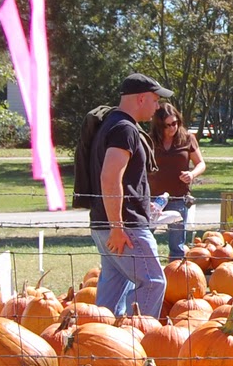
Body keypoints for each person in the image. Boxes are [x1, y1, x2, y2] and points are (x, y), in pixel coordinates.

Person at [88, 73, 173, 318]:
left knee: (113, 287)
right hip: (125, 227)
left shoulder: (110, 124)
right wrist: (117, 226)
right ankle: (136, 342)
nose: (157, 106)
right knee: (154, 282)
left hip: (106, 223)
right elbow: (110, 176)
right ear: (141, 98)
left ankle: (103, 343)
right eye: (155, 100)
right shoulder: (124, 129)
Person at [149, 102, 205, 261]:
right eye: (167, 125)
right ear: (159, 126)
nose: (172, 128)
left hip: (178, 197)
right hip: (152, 198)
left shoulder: (187, 138)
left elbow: (201, 163)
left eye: (175, 123)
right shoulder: (150, 140)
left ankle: (176, 274)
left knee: (177, 243)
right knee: (145, 236)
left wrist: (192, 174)